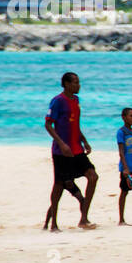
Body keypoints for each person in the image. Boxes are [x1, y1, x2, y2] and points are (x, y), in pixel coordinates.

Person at [44, 71, 97, 232]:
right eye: (75, 82)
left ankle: (84, 218)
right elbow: (48, 125)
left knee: (93, 176)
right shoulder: (58, 101)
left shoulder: (76, 100)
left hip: (77, 148)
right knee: (59, 185)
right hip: (62, 152)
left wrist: (85, 141)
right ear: (67, 84)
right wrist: (61, 143)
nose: (78, 85)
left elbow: (75, 125)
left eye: (78, 82)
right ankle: (53, 224)